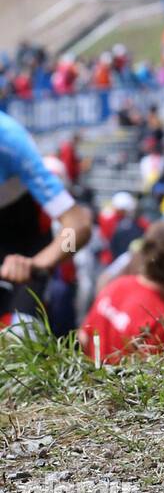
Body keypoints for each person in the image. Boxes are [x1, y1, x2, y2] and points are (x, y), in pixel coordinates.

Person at [0, 108, 92, 333]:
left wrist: (39, 264)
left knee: (21, 334)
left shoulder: (10, 141)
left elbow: (77, 228)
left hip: (25, 251)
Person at [78, 220, 164, 365]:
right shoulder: (162, 321)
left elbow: (83, 337)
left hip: (95, 381)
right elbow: (153, 381)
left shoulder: (117, 284)